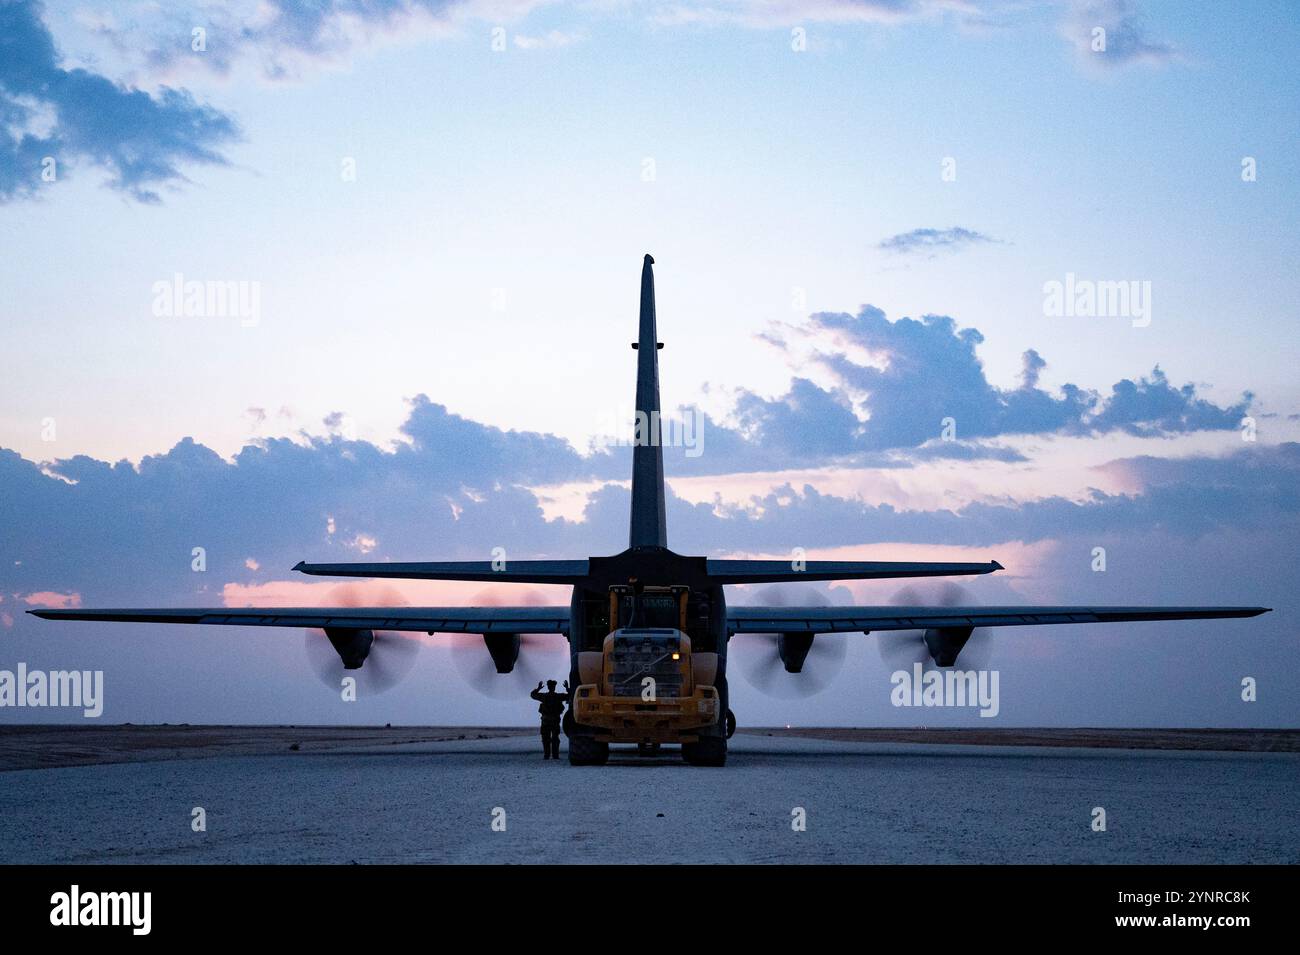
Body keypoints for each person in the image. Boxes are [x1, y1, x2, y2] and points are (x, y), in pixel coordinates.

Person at [530, 679, 568, 759]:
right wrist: (567, 688)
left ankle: (546, 755)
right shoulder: (558, 697)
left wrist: (538, 688)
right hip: (554, 721)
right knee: (555, 739)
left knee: (546, 739)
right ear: (554, 687)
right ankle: (555, 755)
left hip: (545, 721)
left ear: (548, 687)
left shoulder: (544, 696)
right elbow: (570, 695)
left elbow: (533, 695)